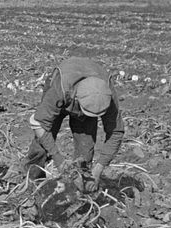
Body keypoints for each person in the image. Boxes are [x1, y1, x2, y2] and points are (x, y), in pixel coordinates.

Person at [23, 57, 124, 191]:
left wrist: (98, 169)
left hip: (89, 95)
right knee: (42, 145)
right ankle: (32, 182)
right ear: (76, 99)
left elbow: (116, 132)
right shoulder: (60, 89)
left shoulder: (106, 95)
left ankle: (77, 191)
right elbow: (38, 123)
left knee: (85, 153)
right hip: (64, 87)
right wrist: (58, 160)